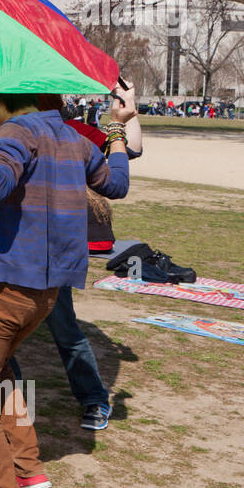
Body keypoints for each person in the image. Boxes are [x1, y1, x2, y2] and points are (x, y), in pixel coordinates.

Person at [0, 88, 131, 488]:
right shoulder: (71, 137)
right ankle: (27, 469)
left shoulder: (15, 131)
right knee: (0, 372)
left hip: (0, 292)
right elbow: (117, 184)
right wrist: (117, 124)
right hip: (44, 293)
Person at [37, 87, 144, 431]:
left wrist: (125, 118)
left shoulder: (74, 134)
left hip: (50, 252)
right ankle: (5, 408)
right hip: (9, 251)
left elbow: (129, 156)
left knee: (64, 328)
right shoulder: (6, 128)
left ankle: (94, 398)